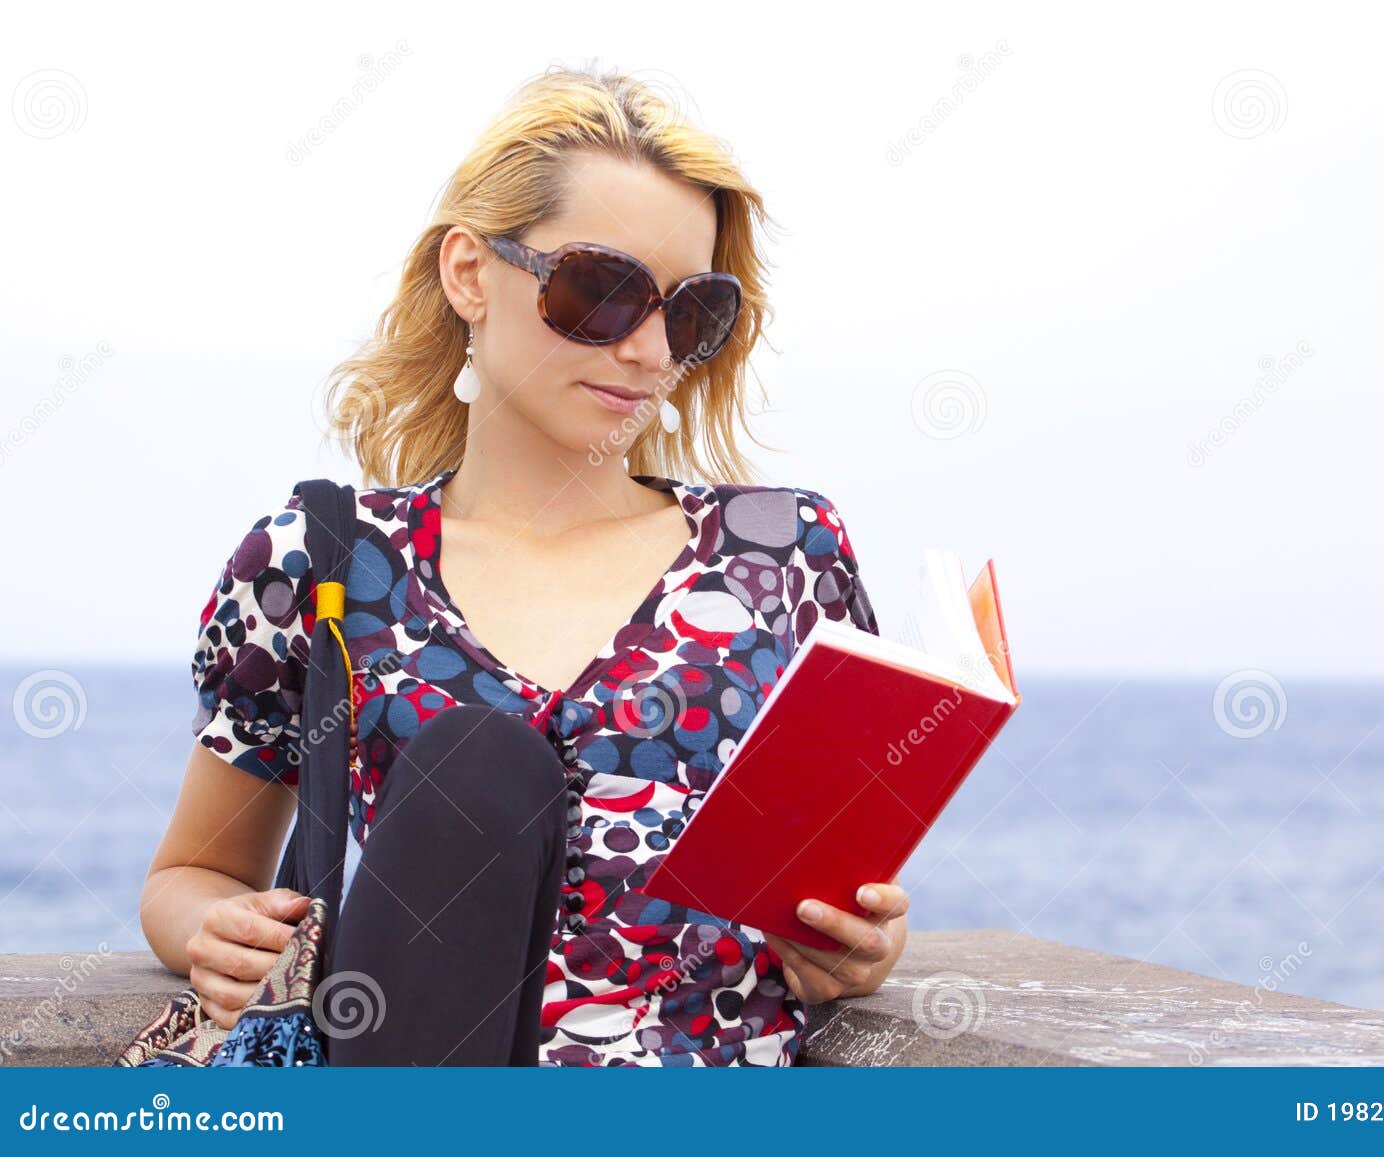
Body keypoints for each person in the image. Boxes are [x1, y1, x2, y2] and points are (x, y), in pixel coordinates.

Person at [137, 65, 910, 1066]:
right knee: (479, 769)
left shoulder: (785, 559)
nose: (644, 349)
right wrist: (212, 928)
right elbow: (192, 871)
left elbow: (841, 897)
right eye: (600, 290)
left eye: (688, 312)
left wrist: (858, 946)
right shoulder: (319, 559)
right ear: (470, 273)